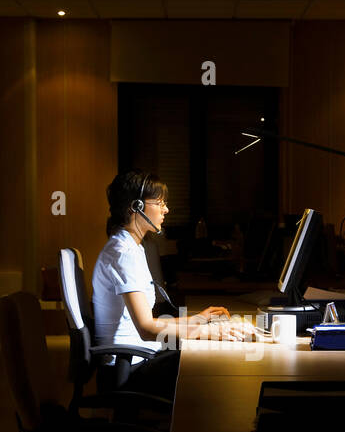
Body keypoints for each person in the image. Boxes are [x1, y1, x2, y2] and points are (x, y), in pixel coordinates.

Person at [92, 170, 256, 398]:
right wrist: (212, 331)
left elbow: (148, 323)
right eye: (159, 203)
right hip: (131, 367)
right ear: (137, 207)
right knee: (218, 360)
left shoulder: (130, 247)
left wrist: (197, 320)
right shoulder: (123, 253)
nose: (166, 209)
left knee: (215, 350)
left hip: (138, 357)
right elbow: (147, 328)